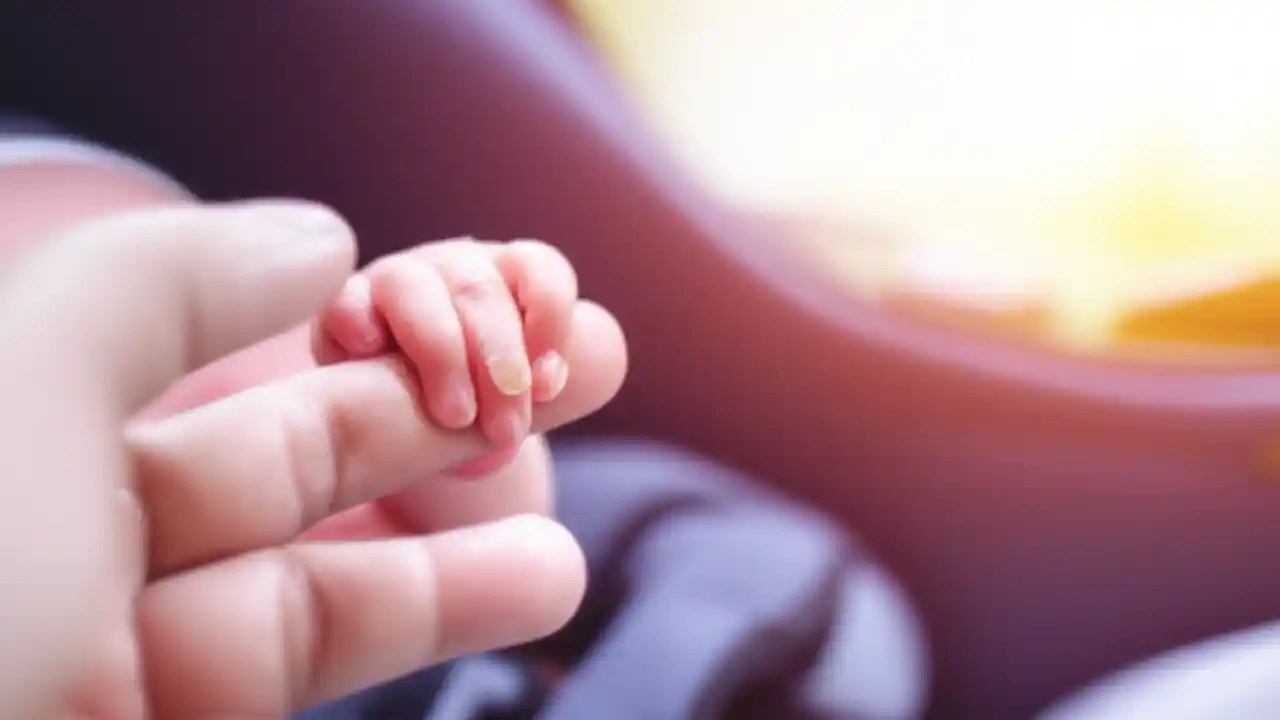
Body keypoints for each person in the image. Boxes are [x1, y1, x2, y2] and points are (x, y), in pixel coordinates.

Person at [0, 120, 627, 718]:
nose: (213, 383)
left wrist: (450, 362)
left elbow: (489, 548)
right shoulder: (107, 650)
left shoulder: (349, 531)